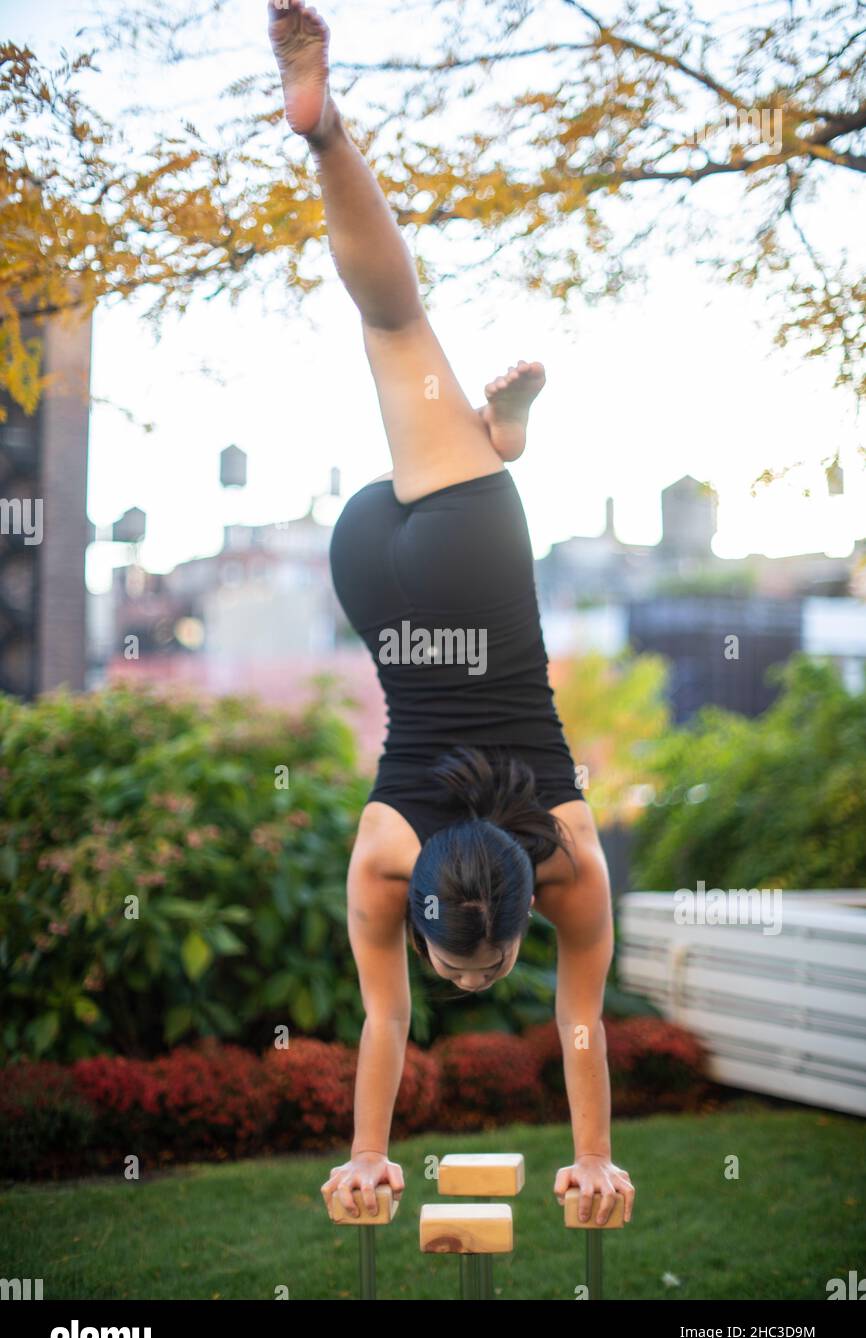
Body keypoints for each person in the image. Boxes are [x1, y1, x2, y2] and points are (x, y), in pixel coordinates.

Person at [267, 0, 634, 1234]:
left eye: (462, 966)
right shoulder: (384, 864)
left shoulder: (574, 869)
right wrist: (363, 1156)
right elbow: (388, 1015)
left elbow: (573, 1019)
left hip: (471, 553)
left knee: (395, 325)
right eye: (475, 963)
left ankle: (494, 439)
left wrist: (590, 1160)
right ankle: (490, 439)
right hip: (370, 569)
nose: (464, 980)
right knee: (390, 339)